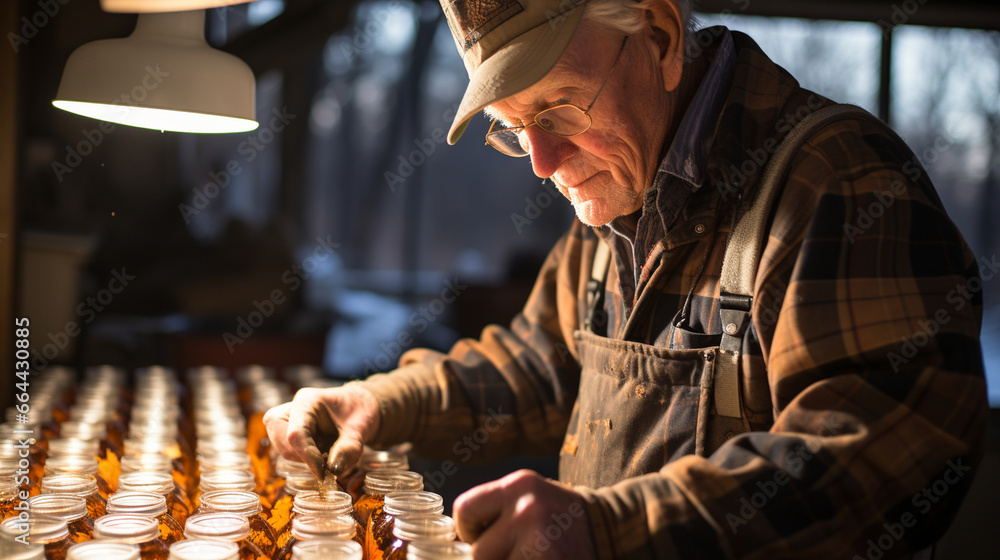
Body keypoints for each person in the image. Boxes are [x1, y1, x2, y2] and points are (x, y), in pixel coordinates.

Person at [264, 1, 989, 558]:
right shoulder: (620, 196)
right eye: (514, 128)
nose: (542, 163)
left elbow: (878, 456)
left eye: (559, 108)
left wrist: (610, 531)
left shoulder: (840, 185)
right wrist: (377, 402)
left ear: (662, 36)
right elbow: (540, 367)